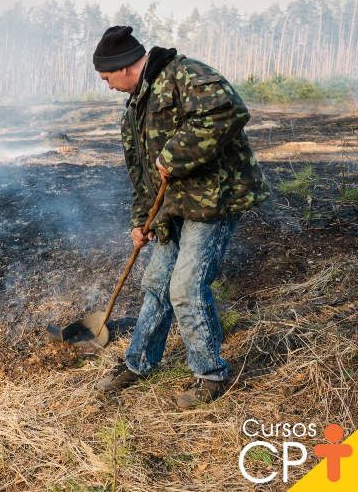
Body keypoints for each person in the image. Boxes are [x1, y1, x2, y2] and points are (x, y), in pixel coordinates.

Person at [91, 26, 270, 408]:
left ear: (122, 67)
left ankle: (211, 374)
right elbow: (141, 173)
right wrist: (142, 221)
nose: (107, 87)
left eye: (106, 78)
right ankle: (139, 363)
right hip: (174, 207)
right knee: (157, 282)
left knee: (185, 288)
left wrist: (175, 155)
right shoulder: (134, 109)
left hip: (212, 200)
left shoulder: (183, 74)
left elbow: (228, 111)